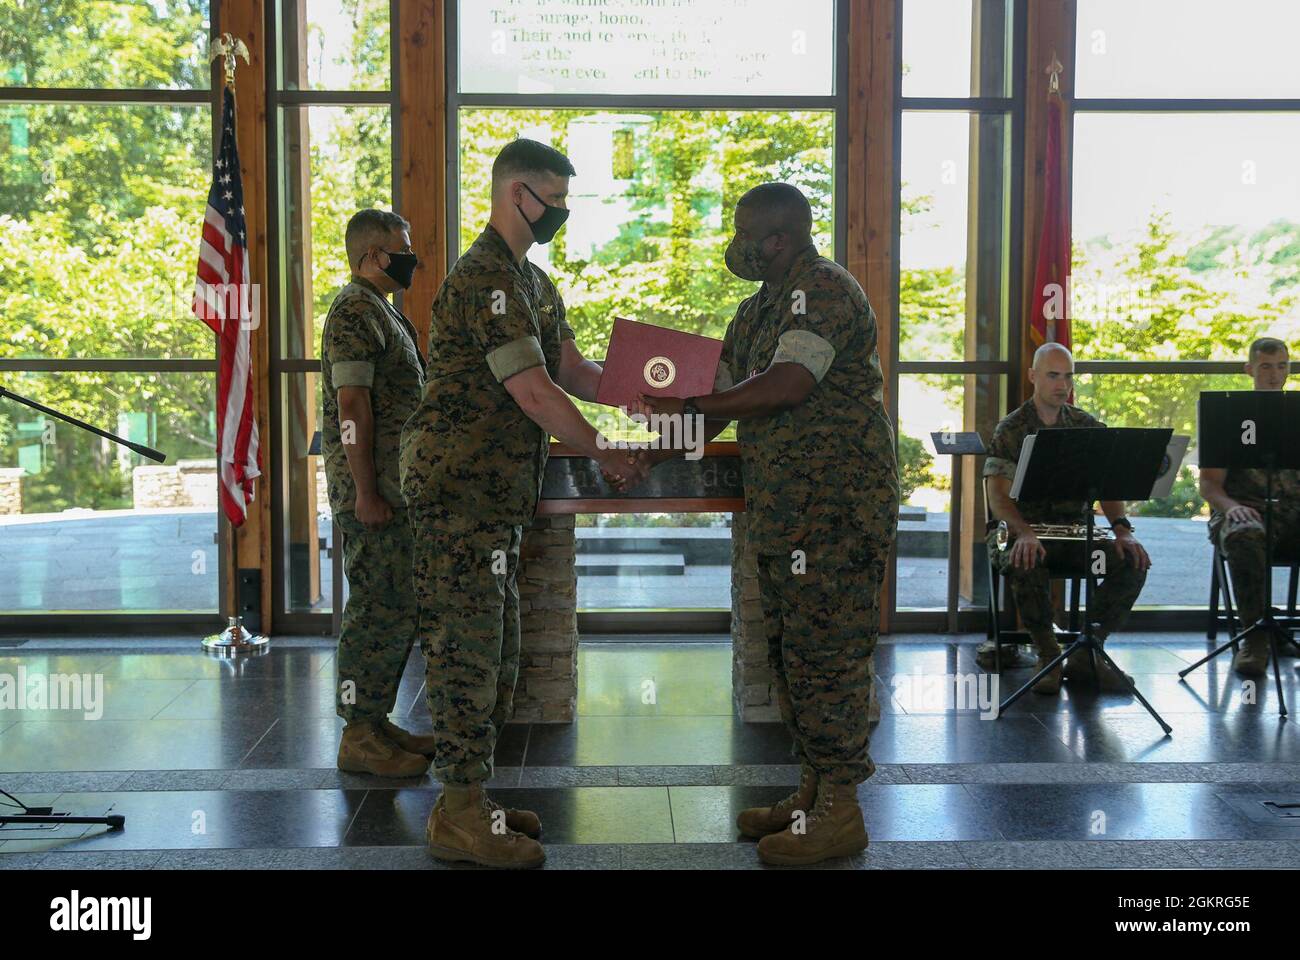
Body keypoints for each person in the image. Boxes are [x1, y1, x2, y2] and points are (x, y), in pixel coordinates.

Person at [631, 183, 898, 867]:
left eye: (746, 231)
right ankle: (810, 792)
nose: (736, 243)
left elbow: (787, 385)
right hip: (786, 516)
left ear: (778, 239)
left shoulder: (823, 289)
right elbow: (717, 405)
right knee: (789, 653)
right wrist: (648, 450)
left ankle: (841, 808)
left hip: (836, 511)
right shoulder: (756, 311)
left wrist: (694, 400)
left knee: (830, 656)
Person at [400, 139, 646, 868]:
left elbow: (574, 369)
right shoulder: (486, 280)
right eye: (554, 200)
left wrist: (653, 393)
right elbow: (534, 391)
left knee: (500, 654)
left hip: (497, 500)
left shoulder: (531, 282)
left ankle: (472, 798)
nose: (562, 213)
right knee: (467, 653)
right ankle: (460, 811)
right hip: (459, 496)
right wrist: (603, 447)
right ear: (517, 195)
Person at [321, 209, 431, 778]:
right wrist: (365, 490)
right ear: (372, 255)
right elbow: (351, 406)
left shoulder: (382, 312)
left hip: (396, 488)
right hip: (374, 492)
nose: (411, 257)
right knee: (374, 610)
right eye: (401, 249)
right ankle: (357, 732)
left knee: (395, 606)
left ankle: (374, 719)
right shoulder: (353, 311)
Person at [983, 342, 1152, 695]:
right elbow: (998, 496)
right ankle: (1048, 653)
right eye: (1053, 375)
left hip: (1077, 537)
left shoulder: (1086, 426)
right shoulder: (1012, 429)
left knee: (1132, 562)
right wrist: (1025, 533)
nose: (1062, 384)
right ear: (1033, 376)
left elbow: (1108, 487)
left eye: (1068, 376)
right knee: (1025, 558)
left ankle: (1089, 649)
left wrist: (1122, 530)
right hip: (1023, 533)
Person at [1199, 337, 1300, 675]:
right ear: (1249, 370)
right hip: (1244, 509)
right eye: (1266, 367)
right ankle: (1254, 637)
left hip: (1293, 512)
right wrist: (1230, 507)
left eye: (1282, 366)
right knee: (1245, 536)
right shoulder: (1231, 415)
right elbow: (1209, 485)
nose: (1275, 375)